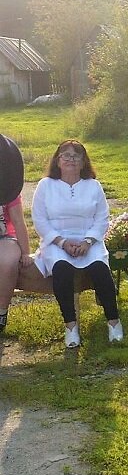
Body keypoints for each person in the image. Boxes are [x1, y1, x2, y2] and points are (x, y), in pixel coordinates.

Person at [32, 140, 123, 348]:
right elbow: (39, 220)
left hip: (88, 241)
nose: (71, 159)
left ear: (83, 162)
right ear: (58, 160)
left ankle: (114, 322)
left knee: (100, 268)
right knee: (61, 269)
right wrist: (62, 242)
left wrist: (89, 241)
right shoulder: (45, 185)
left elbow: (102, 218)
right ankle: (71, 327)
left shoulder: (93, 186)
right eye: (66, 155)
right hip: (56, 242)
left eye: (76, 156)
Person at [0, 134, 30, 334]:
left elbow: (19, 221)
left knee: (8, 261)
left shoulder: (8, 189)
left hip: (4, 237)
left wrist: (26, 252)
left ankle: (1, 311)